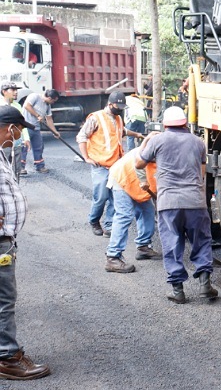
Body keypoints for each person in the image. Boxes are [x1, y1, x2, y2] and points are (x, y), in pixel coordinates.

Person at [136, 106, 217, 304]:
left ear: (165, 124)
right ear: (184, 123)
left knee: (172, 243)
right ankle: (205, 284)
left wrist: (147, 141)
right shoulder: (198, 142)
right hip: (195, 202)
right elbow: (203, 172)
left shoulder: (158, 140)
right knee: (201, 241)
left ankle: (178, 290)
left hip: (168, 202)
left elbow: (139, 163)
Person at [0, 105, 50, 380]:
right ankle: (7, 358)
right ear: (10, 128)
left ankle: (7, 350)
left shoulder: (2, 153)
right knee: (4, 300)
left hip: (4, 239)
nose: (18, 136)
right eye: (18, 130)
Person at [76, 92, 143, 237]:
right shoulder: (96, 118)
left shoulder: (118, 118)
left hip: (116, 165)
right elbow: (82, 136)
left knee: (116, 197)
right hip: (100, 165)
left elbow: (122, 132)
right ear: (110, 104)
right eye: (117, 107)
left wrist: (136, 134)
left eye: (121, 107)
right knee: (101, 197)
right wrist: (86, 157)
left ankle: (109, 225)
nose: (119, 109)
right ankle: (94, 221)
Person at [104, 146, 161, 273]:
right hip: (122, 177)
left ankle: (143, 247)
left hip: (137, 182)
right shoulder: (155, 148)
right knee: (124, 215)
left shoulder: (164, 146)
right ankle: (112, 257)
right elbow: (139, 165)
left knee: (147, 212)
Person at [21, 89, 60, 174]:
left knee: (39, 147)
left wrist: (55, 132)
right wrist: (37, 115)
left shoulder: (47, 105)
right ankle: (20, 167)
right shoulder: (34, 96)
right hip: (26, 126)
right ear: (49, 98)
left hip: (36, 128)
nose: (53, 102)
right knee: (24, 147)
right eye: (53, 100)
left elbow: (49, 119)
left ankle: (40, 166)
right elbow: (27, 106)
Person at [1, 83, 29, 176]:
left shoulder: (17, 106)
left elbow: (22, 124)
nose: (16, 92)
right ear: (4, 92)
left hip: (17, 143)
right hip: (3, 144)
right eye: (13, 90)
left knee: (16, 171)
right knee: (4, 170)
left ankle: (15, 189)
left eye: (16, 90)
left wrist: (26, 138)